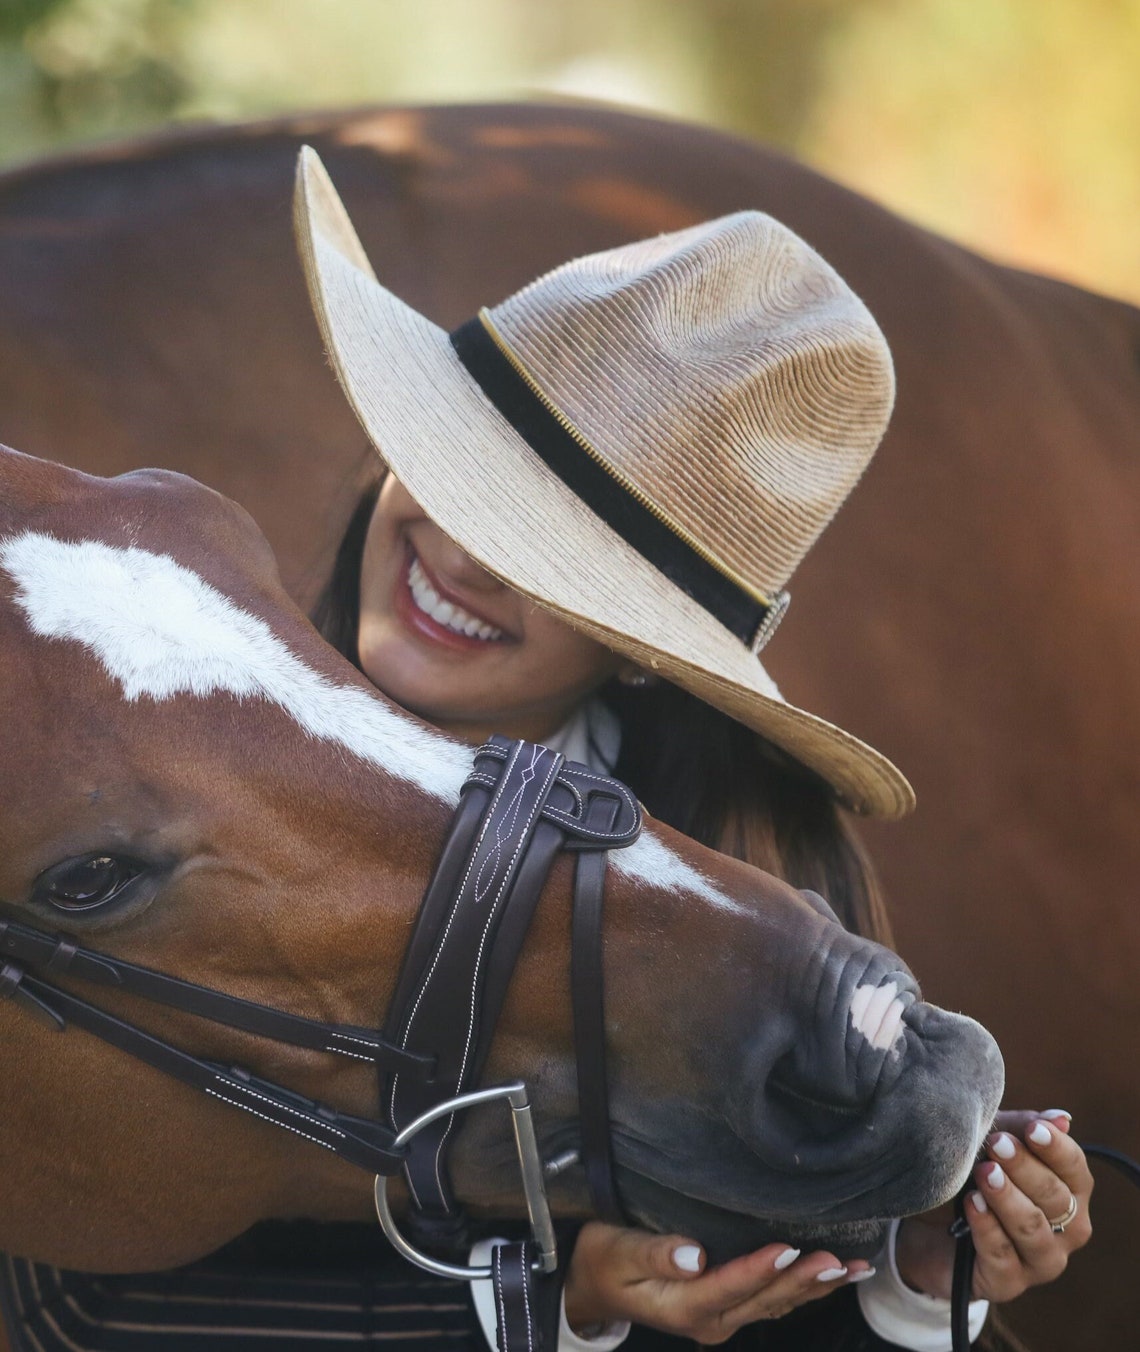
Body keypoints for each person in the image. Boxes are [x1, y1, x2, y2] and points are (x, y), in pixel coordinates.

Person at [294, 147, 1093, 1351]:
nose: (463, 554)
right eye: (460, 467)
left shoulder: (751, 893)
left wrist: (915, 1284)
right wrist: (550, 1301)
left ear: (640, 652)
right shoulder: (174, 736)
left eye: (555, 557)